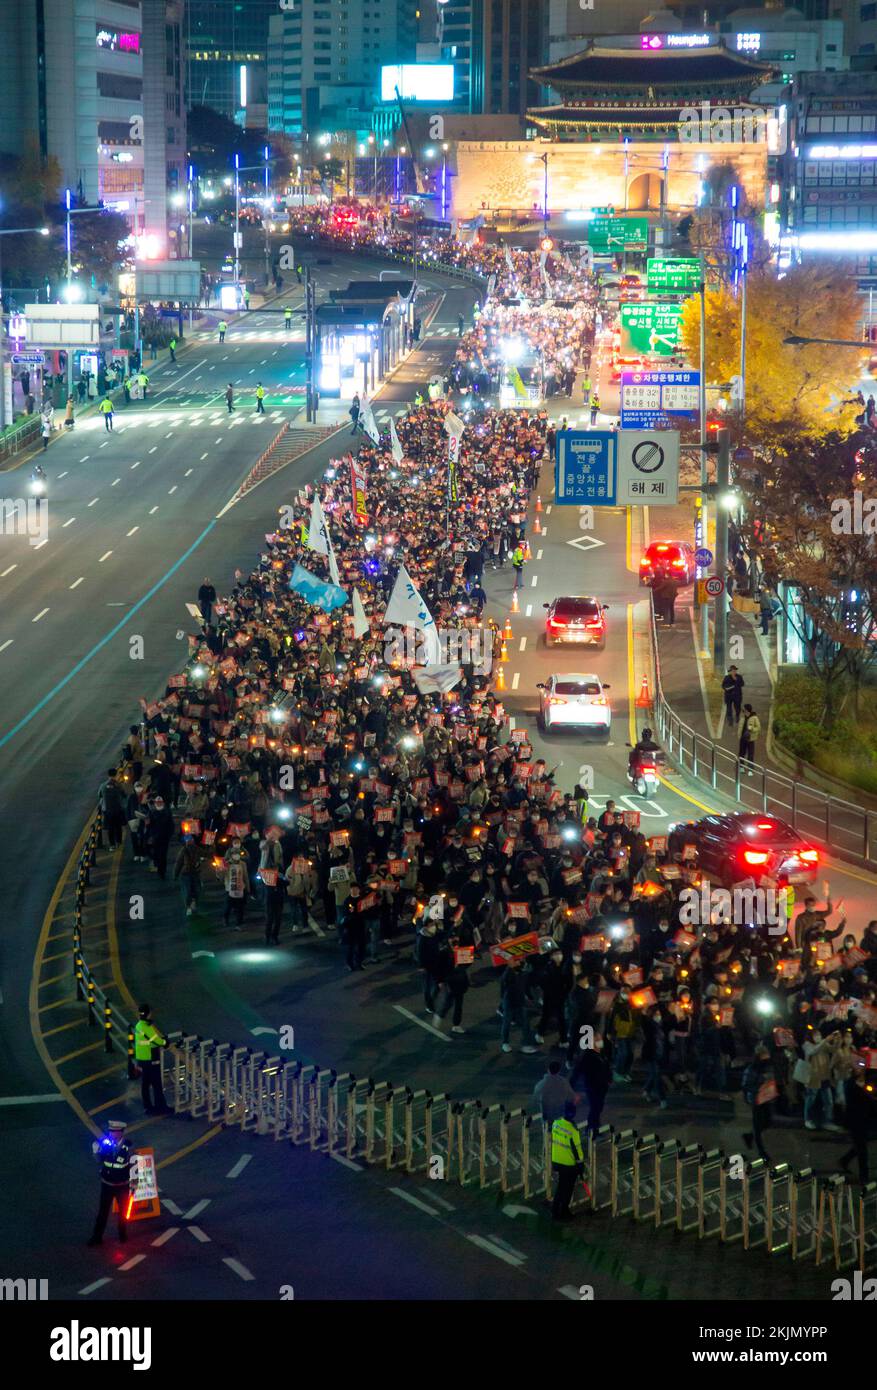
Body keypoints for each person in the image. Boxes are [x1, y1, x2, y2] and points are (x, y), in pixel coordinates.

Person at [87, 1120, 136, 1246]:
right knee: (102, 1212)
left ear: (121, 1132)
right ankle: (97, 1237)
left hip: (122, 1185)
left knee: (123, 1212)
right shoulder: (105, 1145)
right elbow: (99, 1161)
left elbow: (134, 1165)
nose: (112, 1134)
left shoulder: (128, 1146)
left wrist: (134, 1184)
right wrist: (95, 1152)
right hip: (107, 1184)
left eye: (114, 1131)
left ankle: (122, 1235)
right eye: (111, 1131)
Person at [741, 1042, 775, 1165]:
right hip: (756, 1099)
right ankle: (762, 1152)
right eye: (764, 1055)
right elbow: (746, 1085)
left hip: (767, 1098)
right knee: (757, 1124)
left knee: (767, 1122)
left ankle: (749, 1136)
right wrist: (758, 1089)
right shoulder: (752, 1069)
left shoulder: (767, 1067)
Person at [550, 1100, 585, 1220]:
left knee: (560, 1186)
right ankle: (564, 1211)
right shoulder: (572, 1130)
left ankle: (555, 1209)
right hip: (569, 1164)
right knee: (568, 1188)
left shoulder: (555, 1123)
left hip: (556, 1160)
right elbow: (578, 1150)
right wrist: (581, 1165)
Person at [134, 1004, 169, 1114]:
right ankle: (161, 1107)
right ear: (148, 1013)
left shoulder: (139, 1025)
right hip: (150, 1058)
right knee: (156, 1084)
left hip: (142, 1058)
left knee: (145, 1084)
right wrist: (165, 1042)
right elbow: (155, 1040)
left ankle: (148, 1107)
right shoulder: (146, 1027)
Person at [840, 1070, 873, 1184]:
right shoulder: (850, 1084)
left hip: (867, 1120)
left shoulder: (869, 1082)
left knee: (861, 1145)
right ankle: (864, 1176)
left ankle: (845, 1160)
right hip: (855, 1120)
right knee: (862, 1148)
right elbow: (853, 1101)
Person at [532, 1059, 577, 1125]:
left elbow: (535, 1098)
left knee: (547, 1131)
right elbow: (571, 1097)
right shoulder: (564, 1082)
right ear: (559, 1070)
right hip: (560, 1113)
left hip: (546, 1114)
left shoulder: (541, 1084)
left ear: (548, 1069)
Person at [173, 835, 202, 917]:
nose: (190, 841)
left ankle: (194, 902)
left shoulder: (197, 849)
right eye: (188, 840)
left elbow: (207, 854)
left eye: (191, 840)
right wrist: (175, 874)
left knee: (197, 890)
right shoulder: (183, 851)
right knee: (188, 891)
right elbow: (178, 863)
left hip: (195, 873)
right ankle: (188, 907)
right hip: (186, 875)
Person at [99, 769, 126, 849]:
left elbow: (99, 795)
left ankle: (112, 845)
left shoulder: (103, 785)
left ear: (108, 775)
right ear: (116, 774)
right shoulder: (119, 785)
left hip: (107, 810)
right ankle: (119, 842)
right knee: (118, 826)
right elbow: (124, 795)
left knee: (110, 828)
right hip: (118, 809)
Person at [739, 703, 761, 774]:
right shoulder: (743, 716)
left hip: (750, 739)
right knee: (741, 753)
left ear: (747, 710)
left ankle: (750, 769)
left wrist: (752, 729)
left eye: (744, 709)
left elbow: (758, 727)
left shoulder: (754, 718)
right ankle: (741, 767)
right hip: (743, 738)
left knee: (750, 755)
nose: (743, 710)